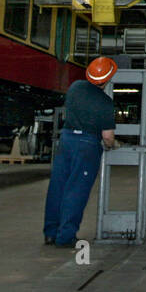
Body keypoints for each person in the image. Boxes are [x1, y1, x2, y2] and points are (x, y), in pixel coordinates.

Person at [43, 56, 118, 247]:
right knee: (76, 190)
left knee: (58, 187)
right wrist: (113, 145)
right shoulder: (105, 103)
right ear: (108, 79)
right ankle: (66, 236)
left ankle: (50, 233)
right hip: (87, 145)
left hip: (66, 139)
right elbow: (107, 137)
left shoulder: (75, 87)